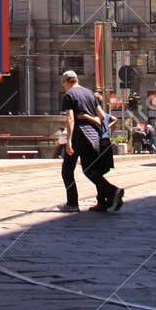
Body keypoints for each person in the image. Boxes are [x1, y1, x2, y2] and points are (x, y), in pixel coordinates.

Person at [60, 70, 122, 212]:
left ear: (68, 81)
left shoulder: (69, 95)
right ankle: (112, 192)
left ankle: (72, 204)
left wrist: (68, 140)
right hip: (93, 136)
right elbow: (101, 116)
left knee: (67, 170)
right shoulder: (89, 93)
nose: (63, 86)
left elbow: (70, 118)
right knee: (90, 170)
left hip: (78, 136)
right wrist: (88, 117)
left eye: (63, 83)